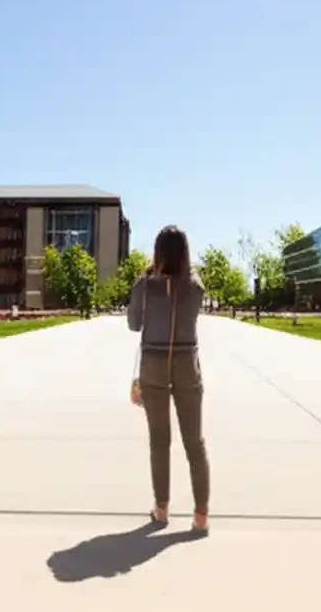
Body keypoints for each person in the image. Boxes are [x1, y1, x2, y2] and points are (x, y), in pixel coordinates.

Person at [128, 225, 209, 535]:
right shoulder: (196, 286)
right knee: (195, 443)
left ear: (158, 252)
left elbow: (134, 325)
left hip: (153, 365)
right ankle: (201, 515)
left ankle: (161, 509)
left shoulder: (143, 286)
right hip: (187, 364)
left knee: (159, 441)